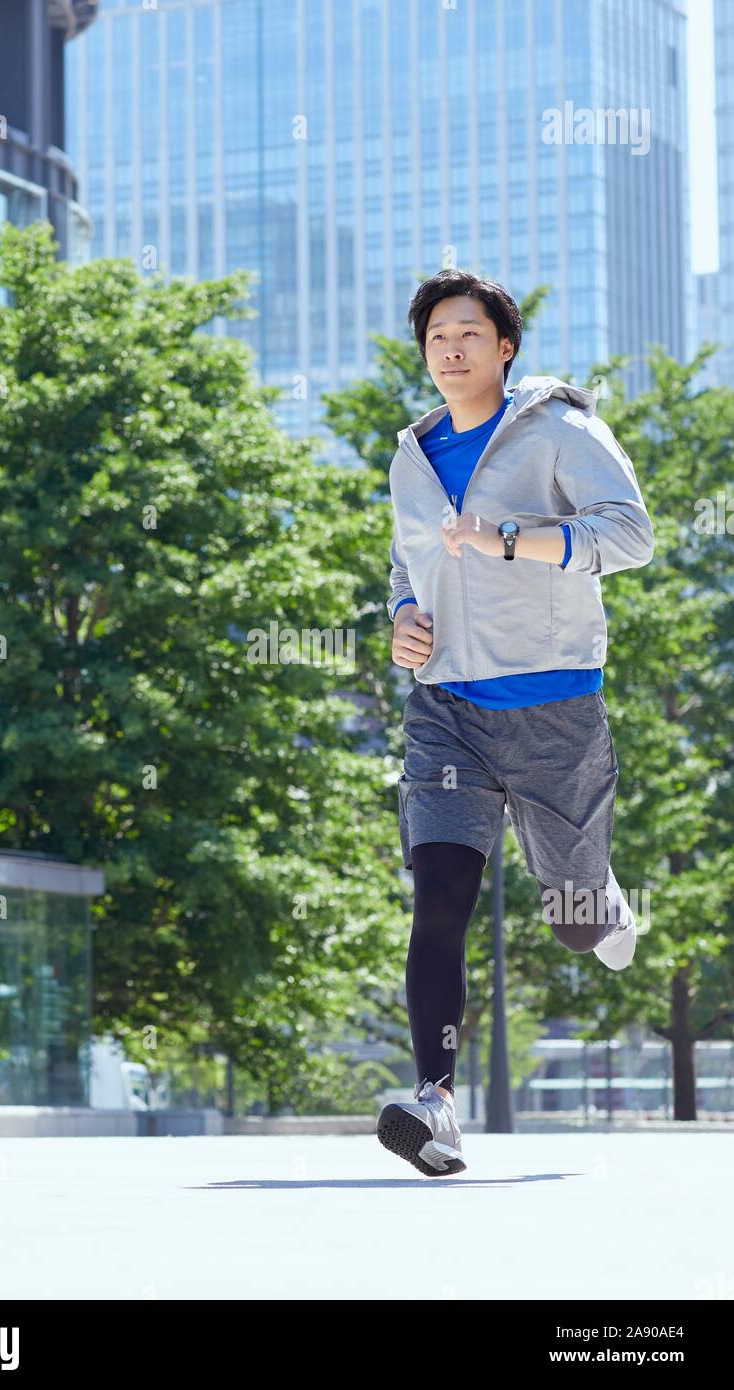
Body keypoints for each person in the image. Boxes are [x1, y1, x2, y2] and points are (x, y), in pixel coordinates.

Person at [375, 270, 655, 1178]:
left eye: (467, 333)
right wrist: (402, 621)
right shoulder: (410, 458)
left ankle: (601, 899)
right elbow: (406, 569)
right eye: (435, 339)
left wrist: (511, 536)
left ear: (504, 346)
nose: (449, 350)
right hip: (446, 709)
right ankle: (436, 1104)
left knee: (574, 925)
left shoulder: (559, 431)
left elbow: (630, 535)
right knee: (439, 898)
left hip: (554, 710)